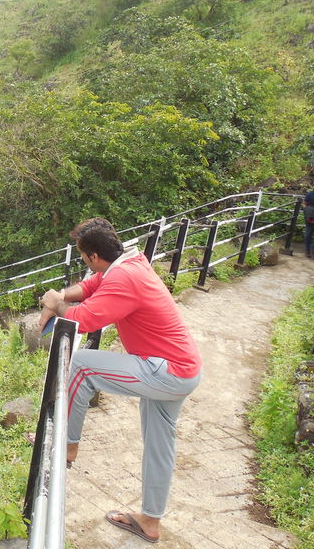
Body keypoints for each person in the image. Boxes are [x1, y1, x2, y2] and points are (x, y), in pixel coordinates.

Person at [38, 217, 202, 544]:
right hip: (183, 368)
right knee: (159, 446)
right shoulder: (130, 263)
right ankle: (150, 521)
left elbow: (83, 319)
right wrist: (62, 294)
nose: (86, 264)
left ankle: (67, 446)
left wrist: (55, 303)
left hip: (165, 370)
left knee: (81, 365)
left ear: (93, 256)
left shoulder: (124, 278)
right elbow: (92, 285)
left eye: (84, 258)